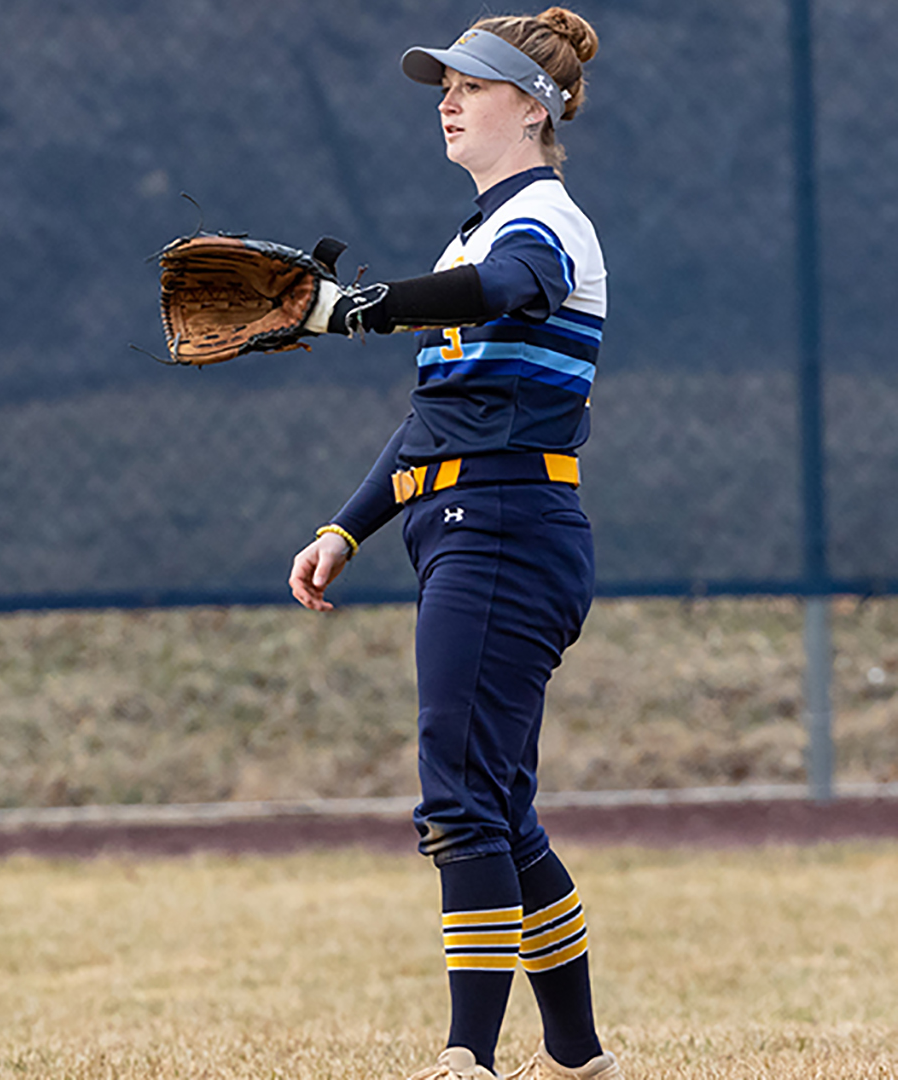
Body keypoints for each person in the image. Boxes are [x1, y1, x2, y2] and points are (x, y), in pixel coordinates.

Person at [285, 9, 623, 1080]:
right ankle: (579, 1060)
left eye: (471, 84)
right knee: (497, 804)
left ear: (535, 107)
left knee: (458, 799)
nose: (448, 97)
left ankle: (464, 1060)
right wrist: (348, 524)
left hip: (506, 530)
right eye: (445, 83)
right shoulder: (468, 236)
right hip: (466, 527)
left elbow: (509, 290)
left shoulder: (544, 222)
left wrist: (359, 309)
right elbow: (438, 416)